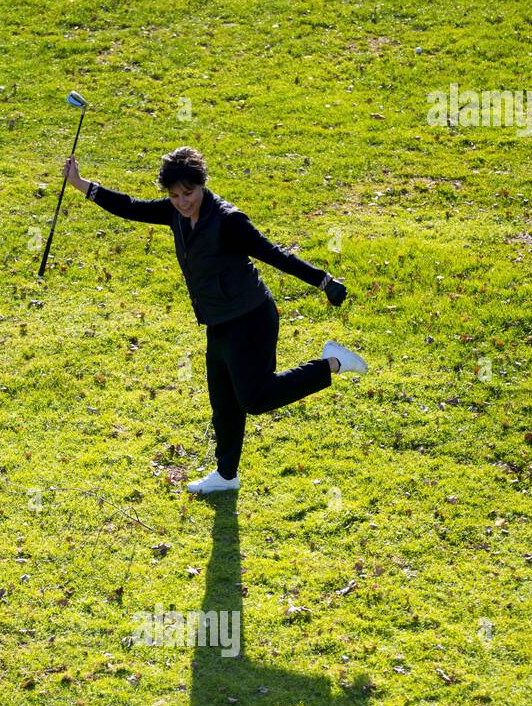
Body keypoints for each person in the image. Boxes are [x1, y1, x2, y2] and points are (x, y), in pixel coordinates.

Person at [62, 145, 367, 495]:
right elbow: (131, 207)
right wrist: (82, 184)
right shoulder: (174, 213)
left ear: (202, 184)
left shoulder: (228, 221)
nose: (182, 201)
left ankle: (332, 363)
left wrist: (323, 281)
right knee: (224, 404)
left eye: (188, 193)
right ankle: (226, 475)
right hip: (219, 321)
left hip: (251, 319)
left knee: (256, 399)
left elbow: (274, 254)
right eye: (174, 195)